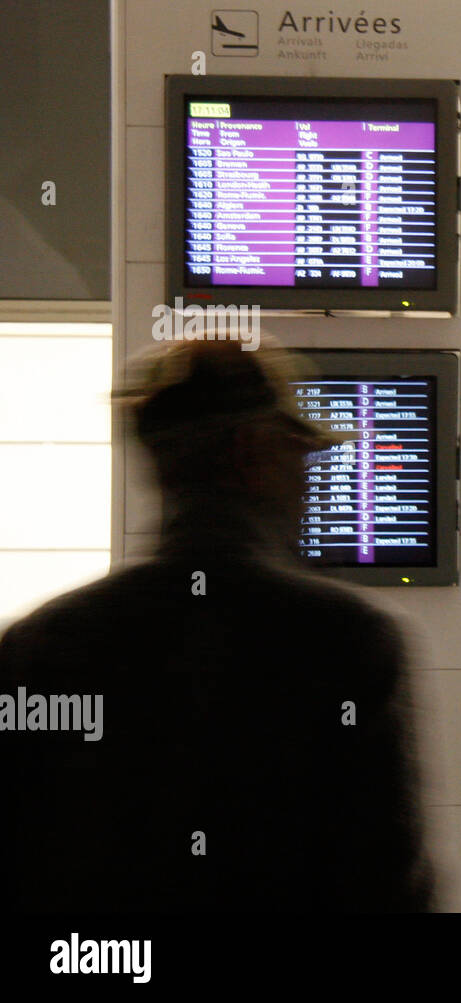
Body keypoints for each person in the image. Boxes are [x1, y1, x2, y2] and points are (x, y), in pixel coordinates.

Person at [0, 339, 433, 911]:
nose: (307, 483)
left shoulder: (39, 642)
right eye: (297, 452)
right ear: (250, 452)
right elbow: (386, 881)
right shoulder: (344, 639)